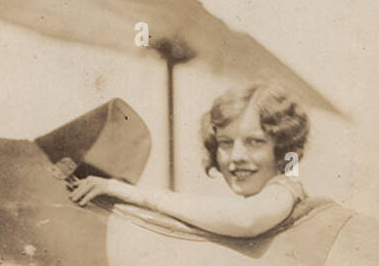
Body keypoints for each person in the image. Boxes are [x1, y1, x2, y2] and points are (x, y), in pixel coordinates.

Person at [67, 84, 310, 238]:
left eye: (255, 142)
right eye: (226, 143)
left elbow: (246, 220)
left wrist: (130, 193)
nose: (236, 156)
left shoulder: (285, 189)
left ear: (282, 148)